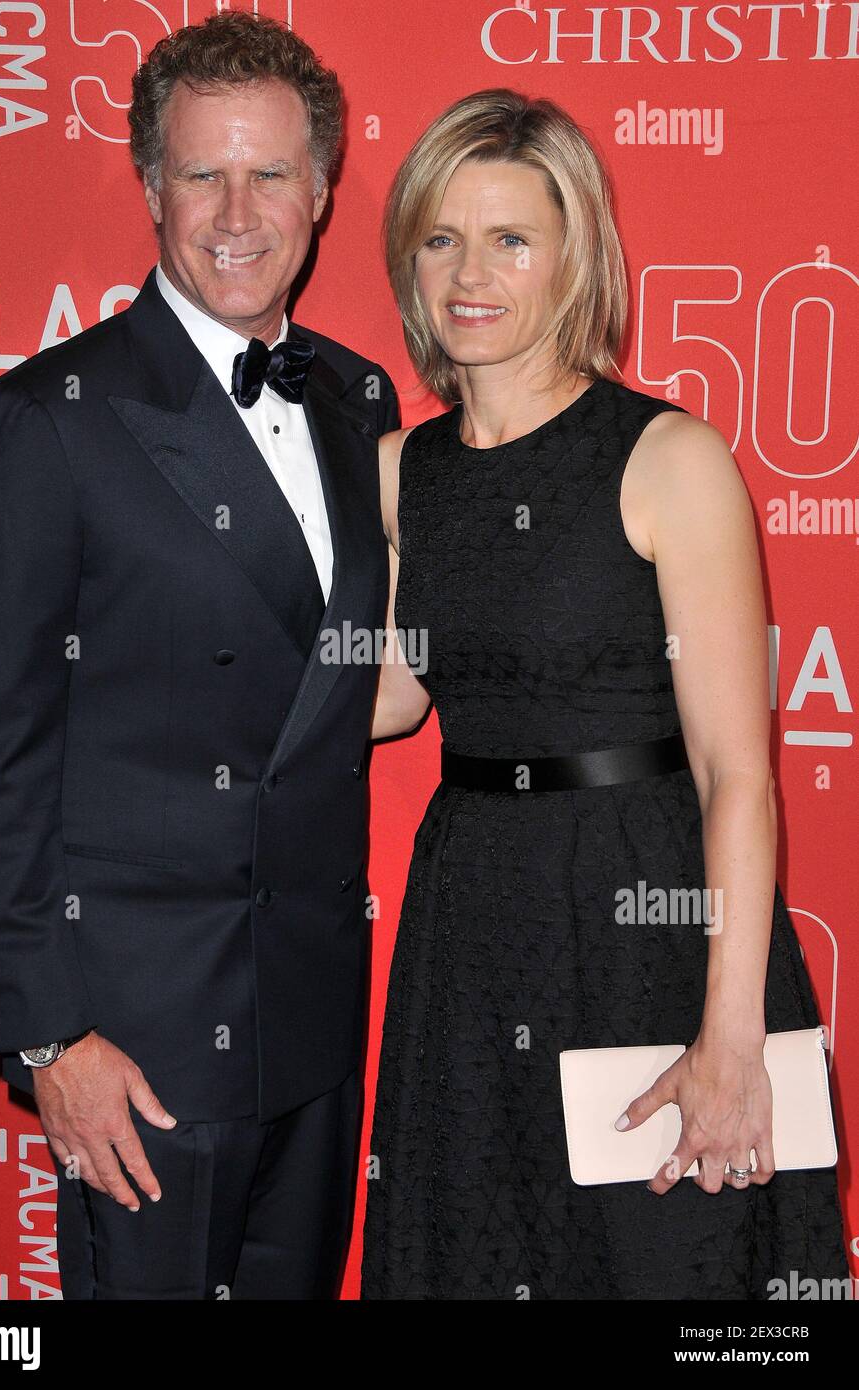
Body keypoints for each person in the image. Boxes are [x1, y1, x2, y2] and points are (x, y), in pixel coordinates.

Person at [0, 12, 399, 1300]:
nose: (236, 211)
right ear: (148, 187)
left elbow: (352, 681)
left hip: (311, 1017)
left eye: (270, 174)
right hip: (135, 1043)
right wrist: (48, 1033)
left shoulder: (361, 401)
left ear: (322, 188)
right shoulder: (39, 423)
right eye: (201, 172)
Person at [360, 89, 849, 1299]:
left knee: (665, 1268)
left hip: (644, 916)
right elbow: (385, 699)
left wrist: (730, 1032)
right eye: (440, 238)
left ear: (574, 254)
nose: (469, 273)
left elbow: (738, 770)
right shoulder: (396, 469)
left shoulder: (666, 459)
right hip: (472, 922)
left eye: (510, 239)